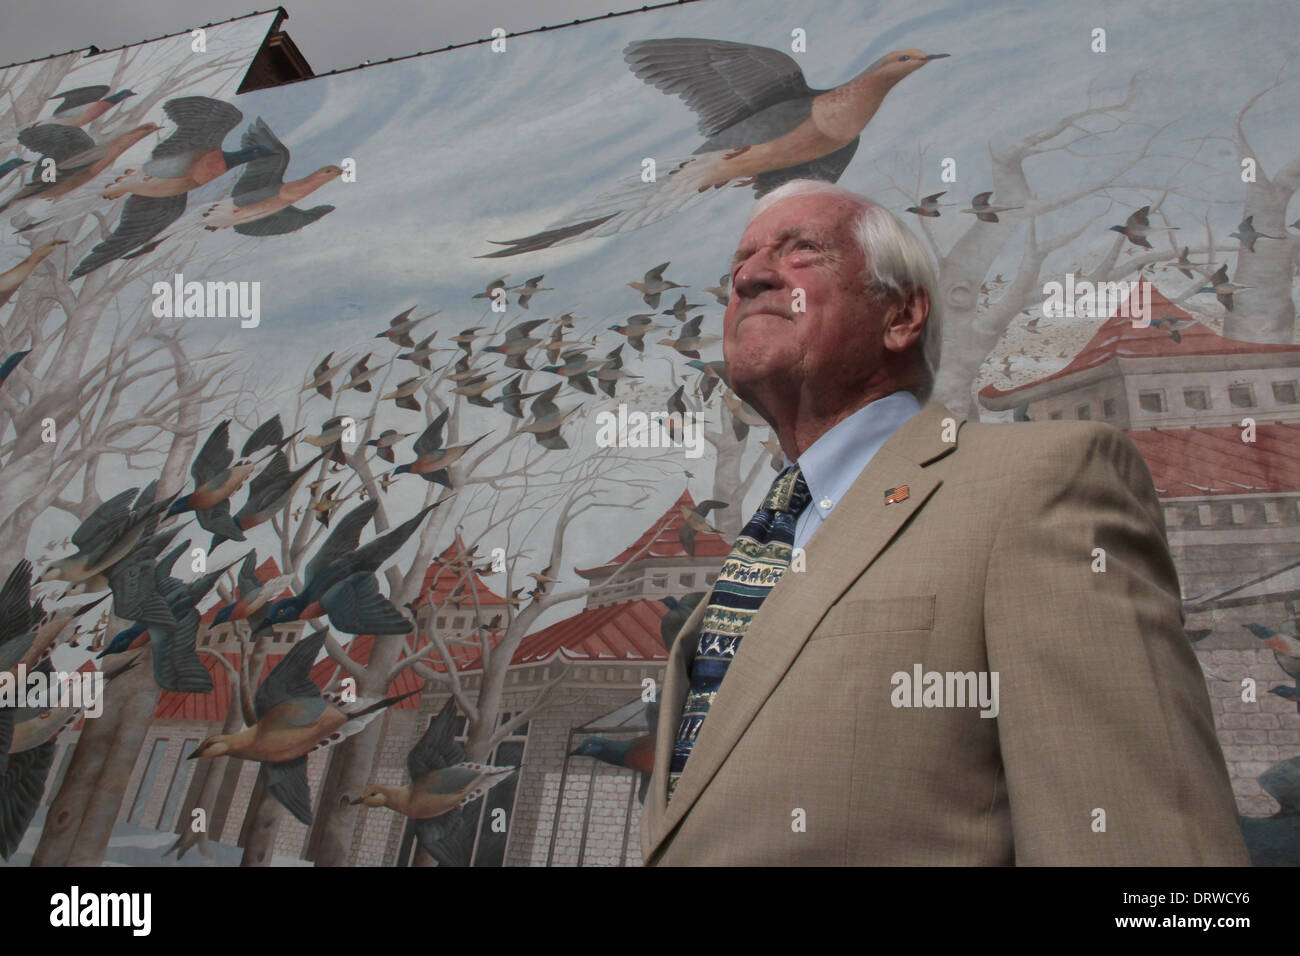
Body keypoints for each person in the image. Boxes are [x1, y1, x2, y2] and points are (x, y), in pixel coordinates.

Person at [640, 179, 1250, 865]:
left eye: (801, 250)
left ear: (901, 316)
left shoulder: (1039, 480)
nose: (750, 275)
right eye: (739, 267)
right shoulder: (754, 555)